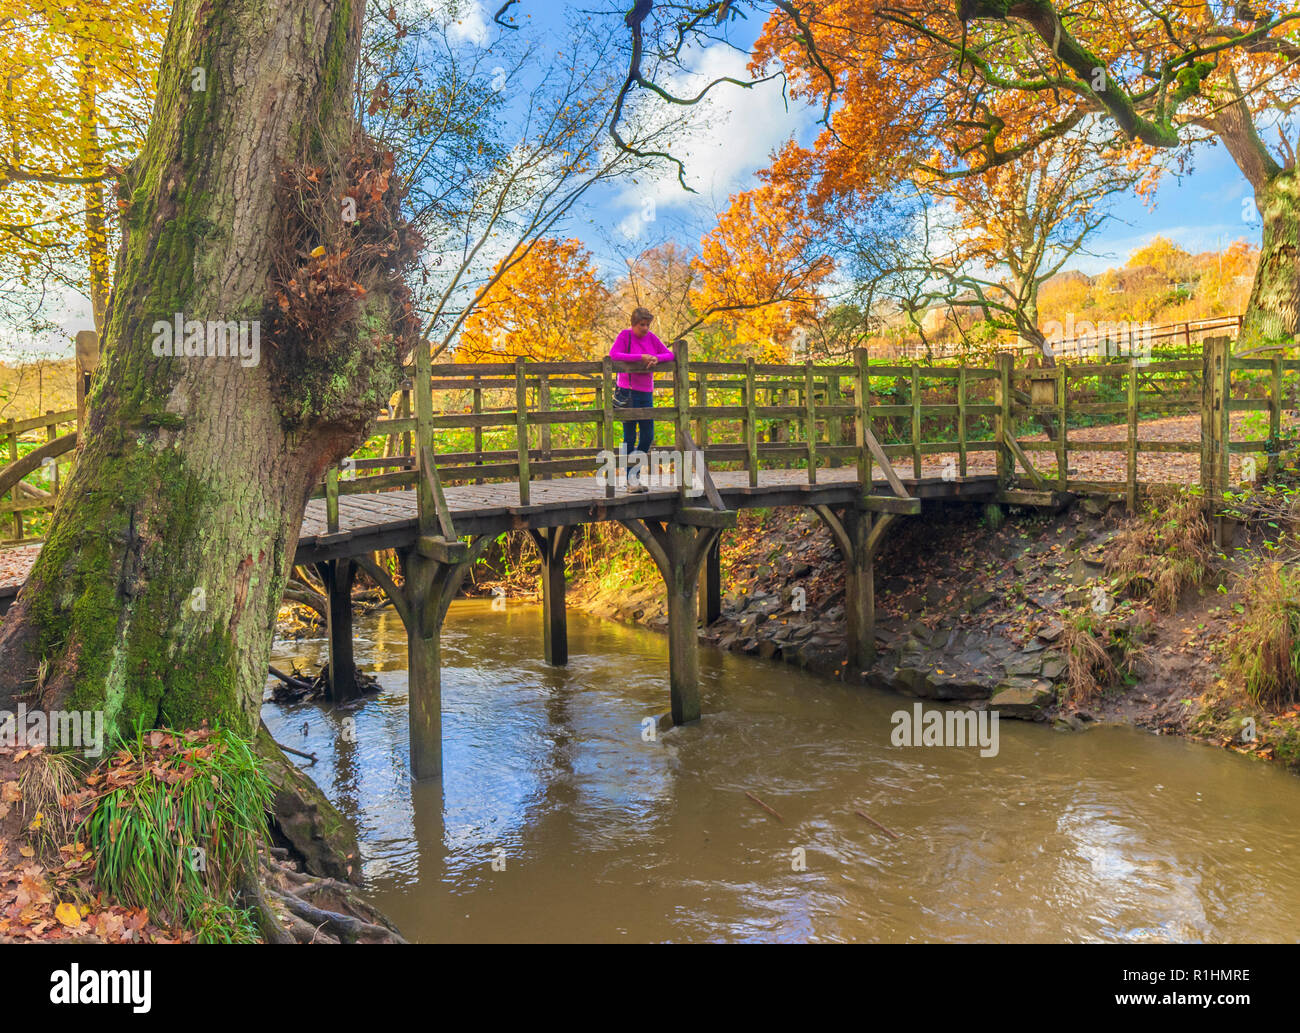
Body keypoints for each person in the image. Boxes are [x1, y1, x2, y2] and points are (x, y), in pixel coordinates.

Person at [609, 307, 674, 493]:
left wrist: (655, 359)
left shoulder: (651, 337)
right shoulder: (625, 336)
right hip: (627, 392)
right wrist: (640, 357)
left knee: (648, 435)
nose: (645, 328)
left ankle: (633, 476)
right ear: (634, 324)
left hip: (646, 392)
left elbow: (670, 354)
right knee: (629, 437)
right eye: (642, 325)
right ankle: (631, 480)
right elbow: (614, 355)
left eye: (647, 324)